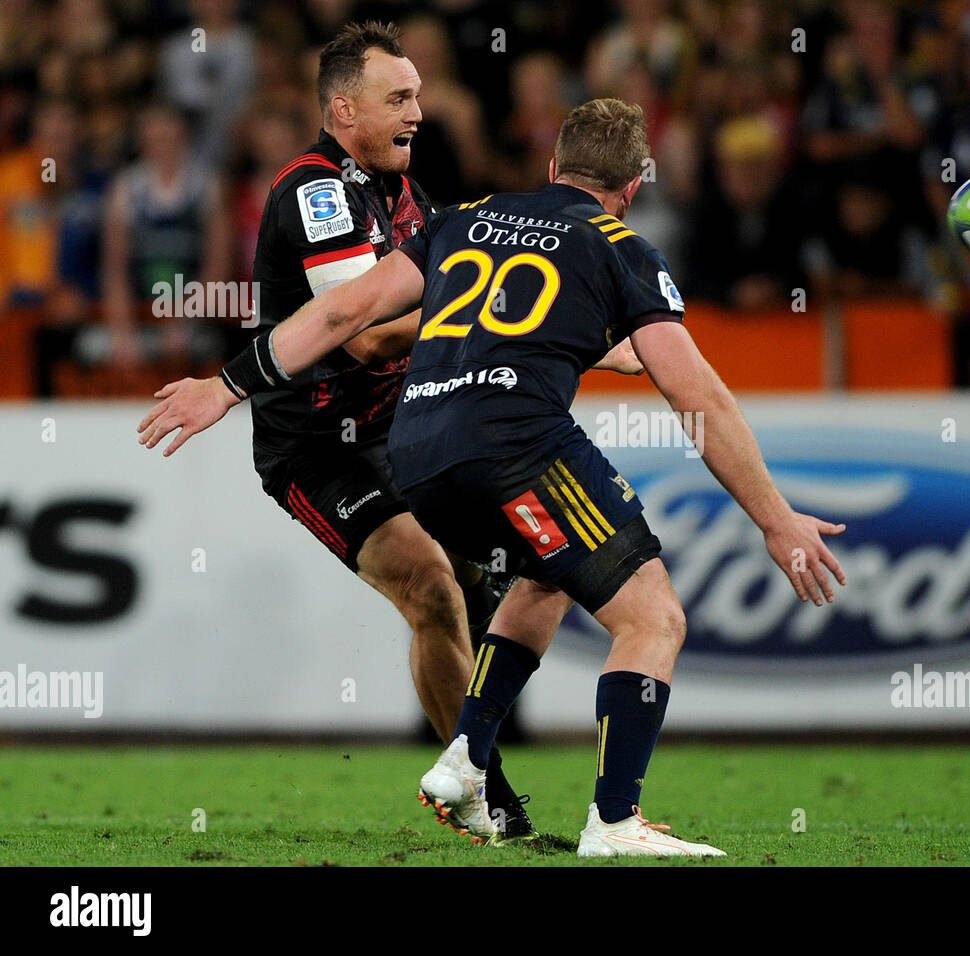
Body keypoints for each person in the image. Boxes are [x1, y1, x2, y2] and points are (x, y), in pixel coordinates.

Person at [137, 97, 846, 857]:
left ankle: (466, 757)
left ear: (551, 167)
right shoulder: (622, 249)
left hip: (416, 449)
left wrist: (226, 385)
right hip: (516, 447)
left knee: (548, 570)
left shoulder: (465, 218)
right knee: (653, 618)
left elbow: (348, 313)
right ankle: (614, 823)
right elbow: (696, 395)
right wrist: (776, 519)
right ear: (634, 186)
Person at [135, 21, 643, 844]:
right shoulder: (316, 191)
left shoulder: (408, 195)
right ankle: (487, 802)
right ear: (344, 108)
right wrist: (512, 316)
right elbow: (365, 333)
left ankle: (470, 770)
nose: (419, 109)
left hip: (405, 428)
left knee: (516, 569)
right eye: (398, 97)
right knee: (431, 587)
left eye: (417, 93)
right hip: (316, 446)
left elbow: (439, 309)